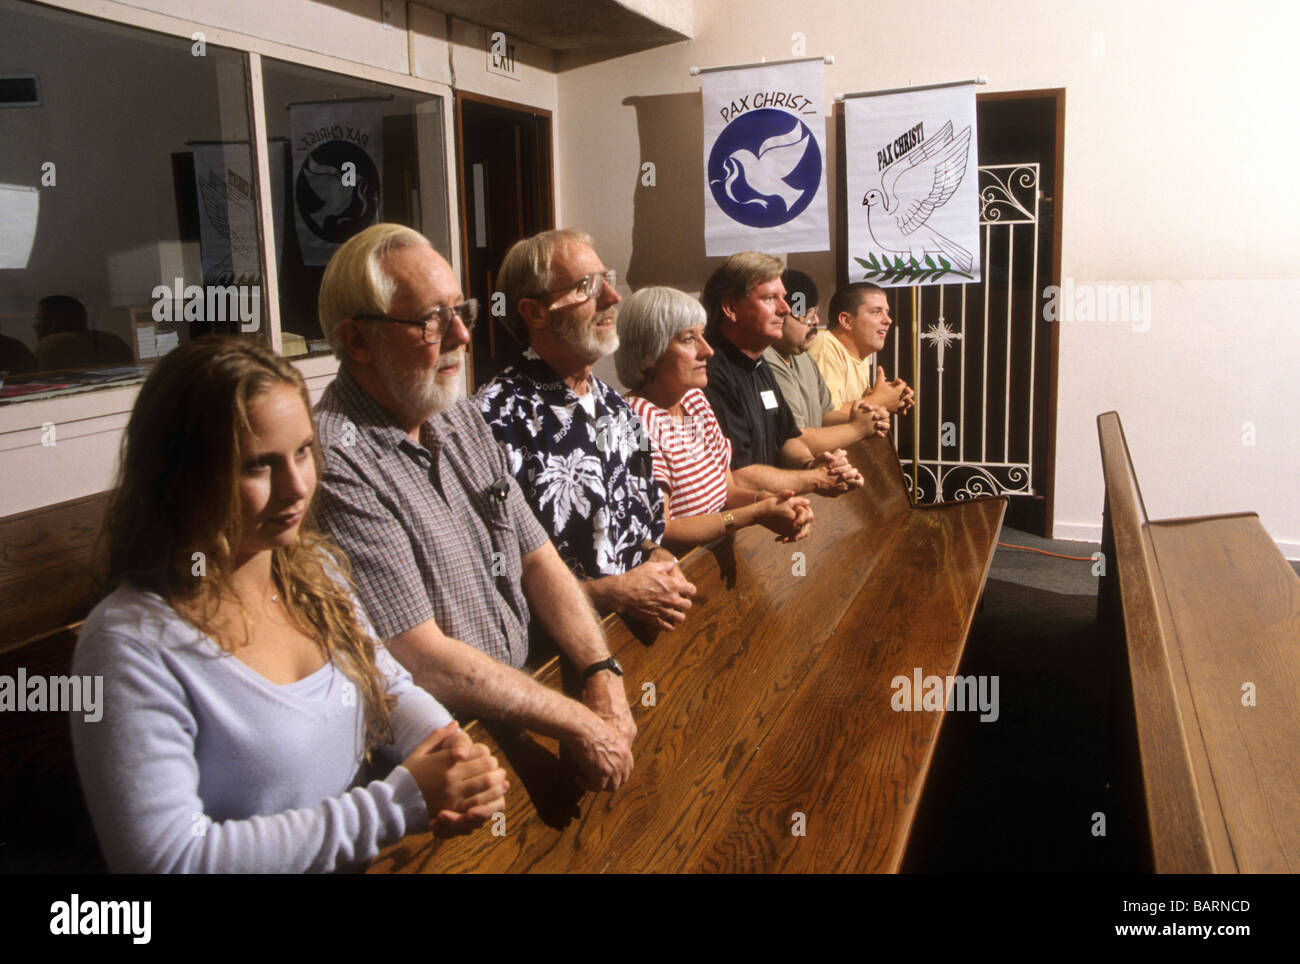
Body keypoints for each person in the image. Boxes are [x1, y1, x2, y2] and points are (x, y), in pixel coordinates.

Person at [71, 336, 508, 873]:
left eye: (303, 451)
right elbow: (167, 859)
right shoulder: (129, 644)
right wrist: (395, 806)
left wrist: (448, 749)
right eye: (258, 465)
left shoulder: (313, 574)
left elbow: (387, 688)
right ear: (181, 476)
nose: (296, 486)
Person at [312, 223, 636, 793]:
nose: (462, 334)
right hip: (447, 761)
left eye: (463, 309)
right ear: (357, 341)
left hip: (520, 704)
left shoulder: (455, 415)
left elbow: (538, 559)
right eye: (431, 320)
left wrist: (599, 670)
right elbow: (423, 659)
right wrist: (577, 719)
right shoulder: (336, 459)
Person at [478, 228, 696, 630]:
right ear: (535, 312)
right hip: (558, 660)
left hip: (641, 637)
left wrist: (655, 552)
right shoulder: (494, 420)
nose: (612, 298)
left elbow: (644, 522)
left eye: (607, 281)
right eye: (586, 287)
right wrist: (609, 593)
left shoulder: (619, 409)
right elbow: (491, 581)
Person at [615, 285, 814, 551]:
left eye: (703, 336)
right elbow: (662, 530)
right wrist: (756, 513)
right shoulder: (628, 421)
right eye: (688, 339)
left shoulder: (694, 400)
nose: (708, 350)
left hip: (718, 557)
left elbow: (727, 492)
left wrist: (768, 500)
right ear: (650, 351)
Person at [701, 252, 871, 497]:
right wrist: (814, 479)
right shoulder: (710, 372)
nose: (785, 309)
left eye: (783, 298)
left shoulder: (757, 362)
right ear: (730, 308)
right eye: (770, 298)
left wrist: (811, 464)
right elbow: (738, 475)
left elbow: (787, 439)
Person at [762, 268, 891, 438]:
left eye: (814, 312)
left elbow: (826, 415)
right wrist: (875, 406)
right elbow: (798, 438)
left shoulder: (804, 359)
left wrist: (871, 417)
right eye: (803, 314)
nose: (815, 321)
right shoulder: (767, 361)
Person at [806, 281, 915, 414]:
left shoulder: (858, 354)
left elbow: (847, 401)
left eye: (886, 312)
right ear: (846, 321)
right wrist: (879, 400)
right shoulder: (825, 345)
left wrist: (891, 395)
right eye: (876, 312)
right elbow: (826, 414)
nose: (888, 320)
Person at [34, 295, 133, 370]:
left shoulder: (51, 344)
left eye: (39, 319)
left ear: (53, 323)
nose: (35, 325)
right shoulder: (114, 341)